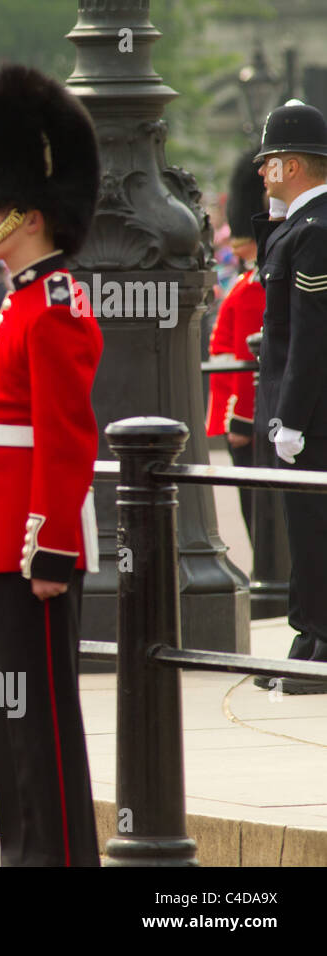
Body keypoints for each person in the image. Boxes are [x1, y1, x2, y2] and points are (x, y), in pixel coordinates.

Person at [0, 62, 103, 866]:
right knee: (11, 714)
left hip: (29, 538)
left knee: (41, 715)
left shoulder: (58, 304)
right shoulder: (19, 301)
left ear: (30, 215)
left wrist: (52, 546)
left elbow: (67, 439)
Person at [251, 98, 327, 695]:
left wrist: (292, 417)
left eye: (270, 161)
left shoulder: (316, 231)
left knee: (314, 527)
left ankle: (321, 637)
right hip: (294, 411)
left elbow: (310, 336)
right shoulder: (297, 228)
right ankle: (308, 632)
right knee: (302, 529)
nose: (262, 172)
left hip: (313, 416)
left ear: (294, 165)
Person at [206, 147, 267, 538]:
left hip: (249, 421)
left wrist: (241, 422)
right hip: (250, 417)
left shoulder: (249, 291)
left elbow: (247, 359)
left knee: (260, 522)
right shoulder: (249, 285)